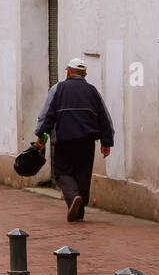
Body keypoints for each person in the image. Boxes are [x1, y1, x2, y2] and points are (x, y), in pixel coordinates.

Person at [33, 57, 115, 222]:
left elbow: (47, 115)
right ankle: (79, 209)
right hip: (87, 141)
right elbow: (105, 118)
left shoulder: (58, 89)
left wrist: (41, 136)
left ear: (68, 72)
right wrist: (106, 142)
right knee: (83, 173)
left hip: (64, 139)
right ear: (84, 74)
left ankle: (73, 199)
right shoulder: (93, 91)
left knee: (62, 171)